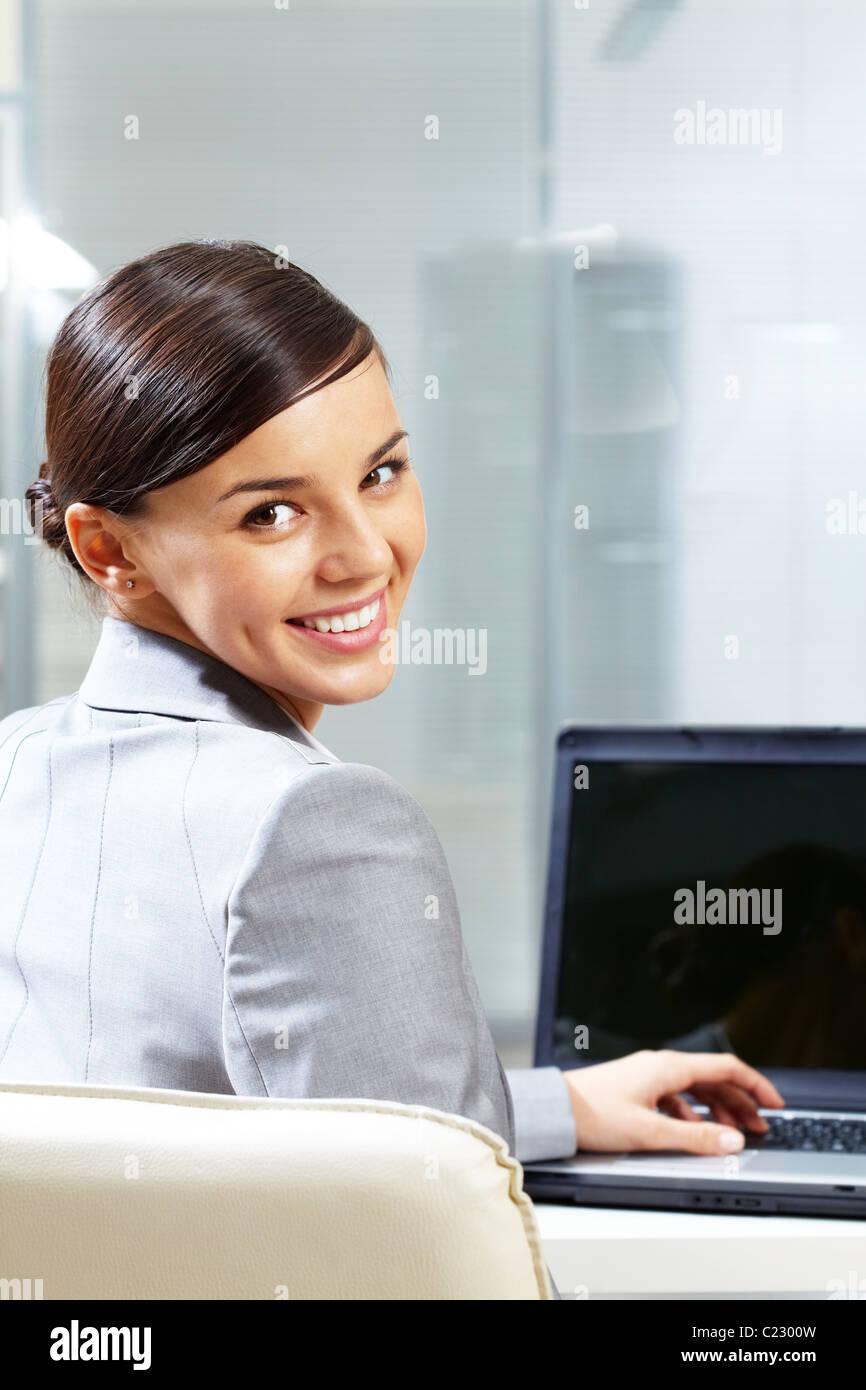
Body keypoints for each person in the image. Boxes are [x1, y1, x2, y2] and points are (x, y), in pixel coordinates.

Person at [0, 239, 783, 1245]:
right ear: (112, 550)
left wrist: (561, 1106)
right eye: (272, 513)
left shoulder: (18, 766)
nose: (366, 554)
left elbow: (194, 1130)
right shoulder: (322, 823)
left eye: (379, 472)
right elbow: (423, 1232)